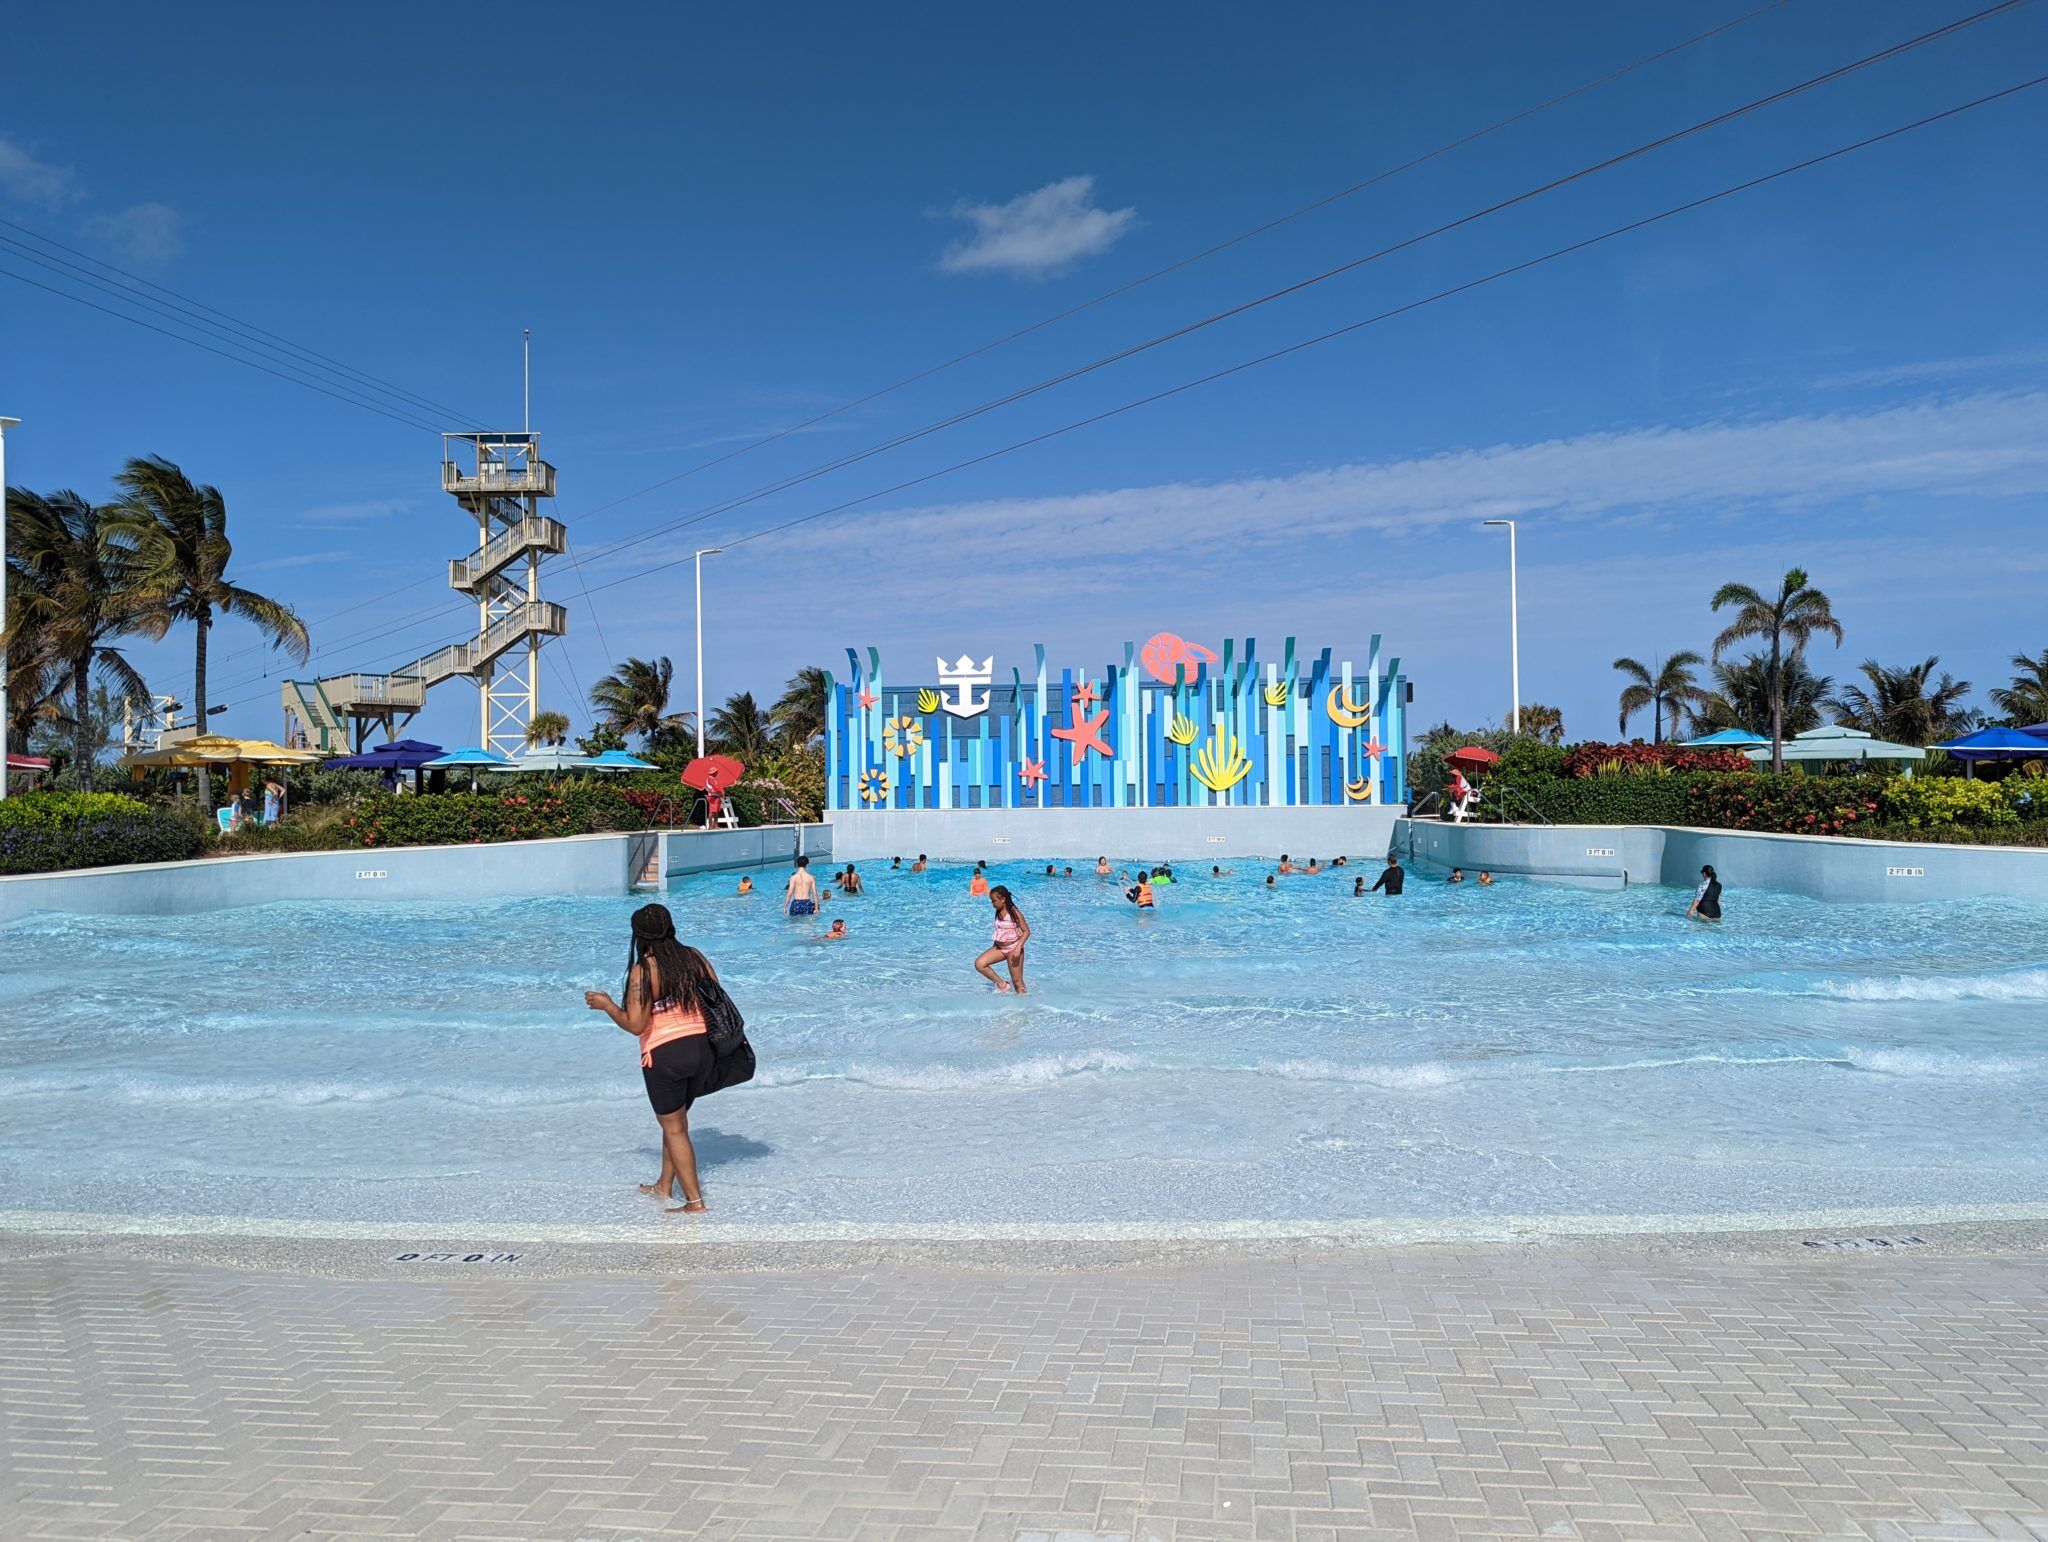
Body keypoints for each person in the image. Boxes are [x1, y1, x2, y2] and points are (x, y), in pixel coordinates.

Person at [583, 903, 716, 1214]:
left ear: (639, 935)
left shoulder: (643, 971)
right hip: (702, 1049)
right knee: (676, 1123)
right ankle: (664, 1185)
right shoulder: (694, 957)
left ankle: (695, 1203)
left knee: (674, 1128)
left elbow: (636, 1025)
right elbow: (716, 995)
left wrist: (607, 1005)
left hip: (666, 1054)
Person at [974, 885, 1030, 993]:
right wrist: (995, 946)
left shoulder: (1014, 913)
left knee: (1017, 982)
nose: (992, 904)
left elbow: (1026, 931)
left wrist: (1018, 948)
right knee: (979, 964)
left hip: (1014, 949)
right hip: (1000, 948)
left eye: (994, 901)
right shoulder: (998, 912)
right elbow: (1001, 932)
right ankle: (1002, 985)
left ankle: (1024, 1007)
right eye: (991, 901)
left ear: (1003, 899)